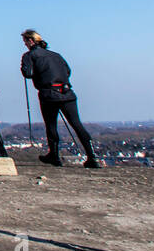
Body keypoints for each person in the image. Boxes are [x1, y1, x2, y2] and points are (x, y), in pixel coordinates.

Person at [20, 29, 100, 169]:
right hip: (67, 92)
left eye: (25, 41)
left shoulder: (30, 56)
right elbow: (68, 71)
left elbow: (28, 74)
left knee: (51, 125)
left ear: (30, 41)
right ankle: (92, 155)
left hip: (48, 93)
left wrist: (25, 67)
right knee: (76, 124)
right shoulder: (56, 55)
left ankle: (54, 156)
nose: (25, 44)